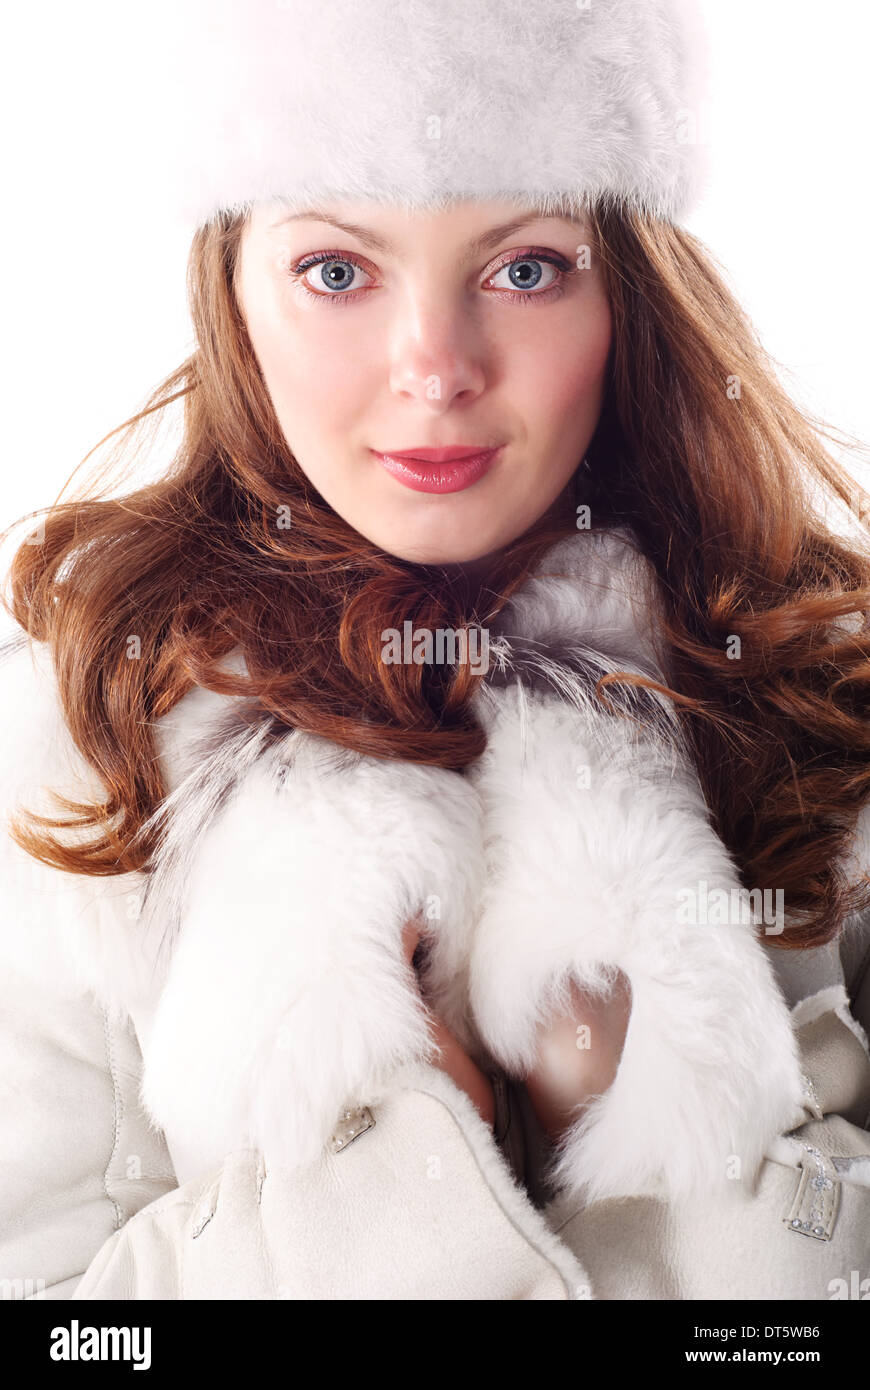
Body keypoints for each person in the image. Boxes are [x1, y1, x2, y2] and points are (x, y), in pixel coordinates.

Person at [1, 0, 869, 1301]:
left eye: (523, 267)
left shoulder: (821, 685)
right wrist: (388, 1170)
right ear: (233, 290)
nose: (434, 366)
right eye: (338, 271)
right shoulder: (82, 734)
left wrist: (632, 1112)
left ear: (624, 287)